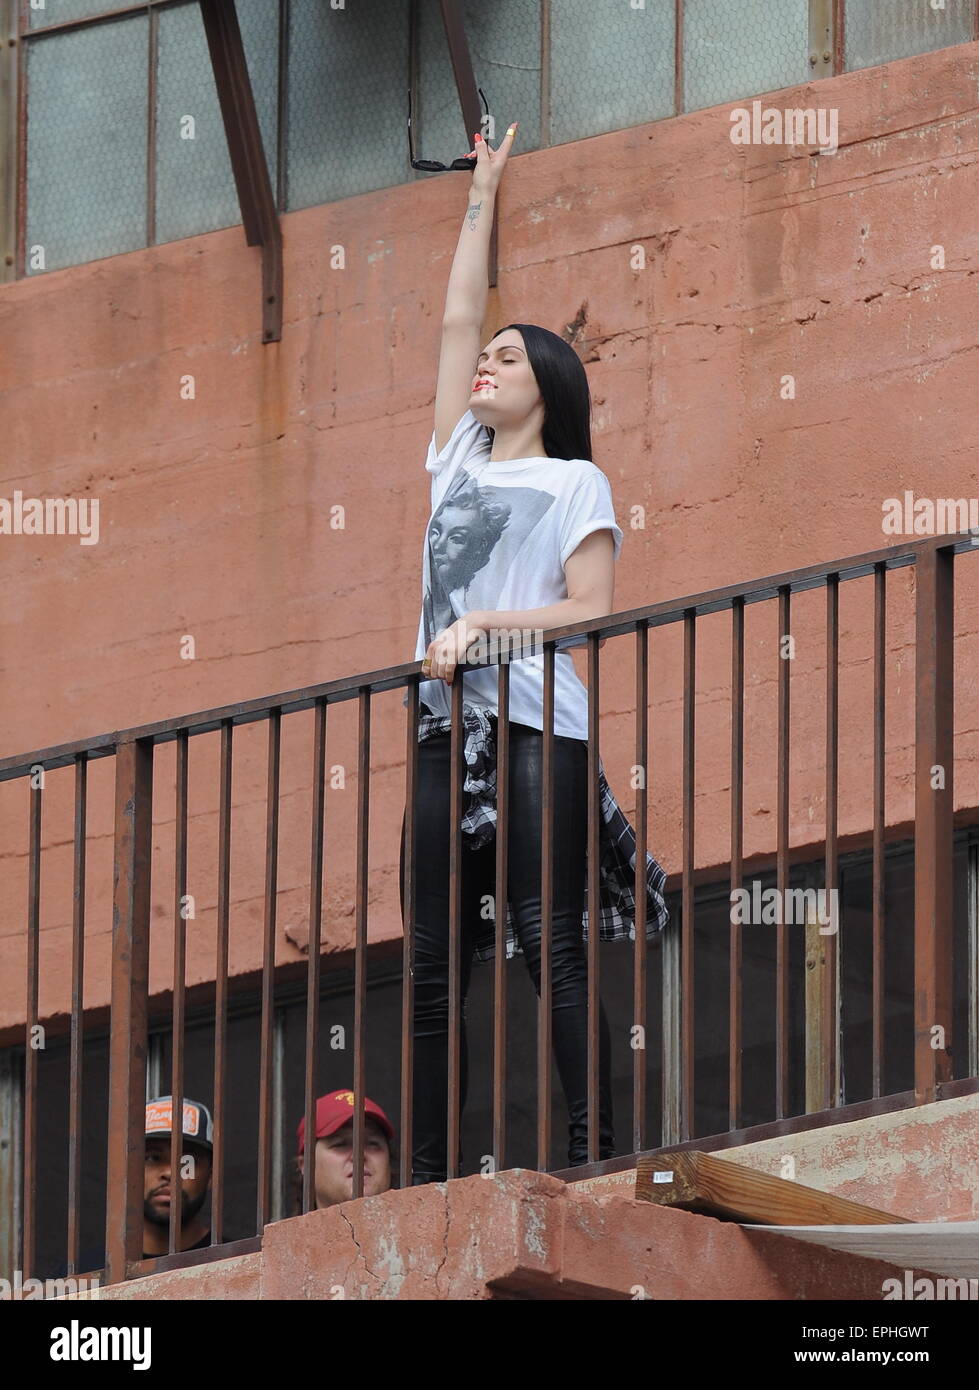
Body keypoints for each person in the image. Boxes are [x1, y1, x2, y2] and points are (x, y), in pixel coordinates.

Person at [400, 121, 671, 1184]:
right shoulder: (452, 458)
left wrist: (481, 630)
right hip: (440, 724)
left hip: (534, 723)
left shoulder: (572, 482)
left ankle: (591, 1156)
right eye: (489, 356)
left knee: (546, 942)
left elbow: (591, 605)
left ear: (546, 385)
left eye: (509, 359)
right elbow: (458, 314)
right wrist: (482, 191)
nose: (485, 363)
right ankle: (424, 1177)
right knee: (430, 962)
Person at [59, 1094, 214, 1276]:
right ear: (126, 1172)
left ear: (211, 1176)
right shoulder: (79, 1275)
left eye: (187, 1160)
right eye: (152, 1158)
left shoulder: (242, 1261)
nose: (170, 1172)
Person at [294, 1089, 395, 1210]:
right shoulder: (281, 1229)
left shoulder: (422, 1225)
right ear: (305, 1164)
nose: (359, 1155)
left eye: (372, 1143)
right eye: (340, 1144)